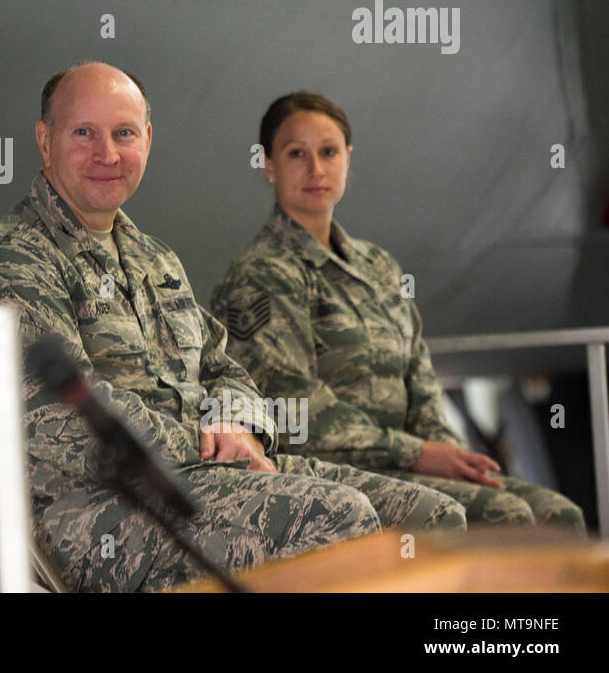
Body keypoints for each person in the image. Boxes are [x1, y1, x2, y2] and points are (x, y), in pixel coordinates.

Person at [0, 63, 465, 593]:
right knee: (340, 520)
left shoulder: (155, 260)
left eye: (124, 133)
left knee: (433, 519)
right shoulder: (8, 264)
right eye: (84, 133)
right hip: (107, 519)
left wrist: (237, 425)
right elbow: (59, 419)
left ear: (146, 140)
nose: (107, 154)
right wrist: (203, 441)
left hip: (214, 481)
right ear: (44, 139)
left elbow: (224, 365)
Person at [211, 91, 585, 531]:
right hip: (326, 472)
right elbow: (294, 412)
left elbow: (420, 381)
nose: (316, 169)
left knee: (560, 516)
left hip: (407, 463)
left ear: (347, 158)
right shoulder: (262, 273)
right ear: (268, 165)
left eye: (329, 152)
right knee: (505, 516)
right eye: (296, 154)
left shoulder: (378, 265)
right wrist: (417, 454)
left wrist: (449, 453)